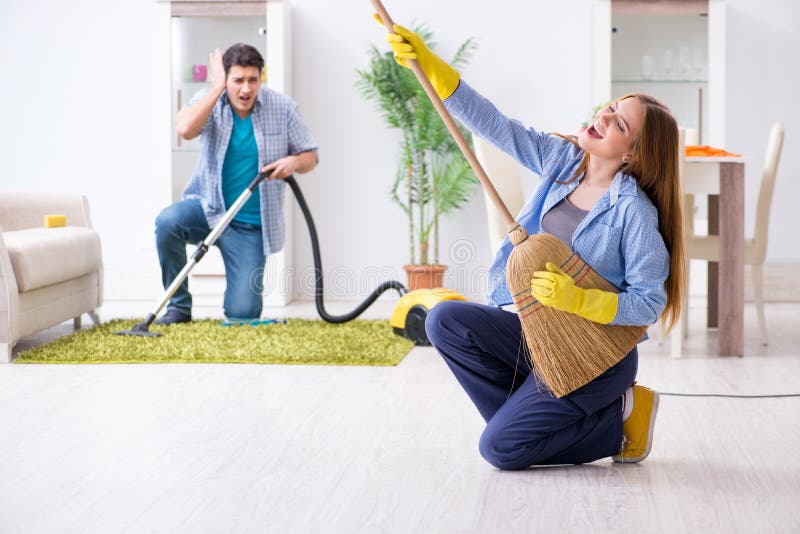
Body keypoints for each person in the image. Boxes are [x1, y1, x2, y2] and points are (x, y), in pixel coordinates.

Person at [383, 23, 686, 469]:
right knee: (445, 320)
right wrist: (430, 66)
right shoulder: (563, 160)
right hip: (534, 337)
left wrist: (582, 300)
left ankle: (619, 418)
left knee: (499, 449)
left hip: (595, 357)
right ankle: (534, 417)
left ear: (634, 154)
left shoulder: (633, 213)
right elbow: (495, 126)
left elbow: (648, 301)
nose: (601, 118)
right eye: (608, 109)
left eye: (618, 123)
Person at [155, 43, 318, 324]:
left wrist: (293, 162)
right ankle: (178, 307)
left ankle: (237, 304)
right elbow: (184, 128)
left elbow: (310, 156)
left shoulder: (282, 108)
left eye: (252, 80)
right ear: (226, 79)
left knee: (243, 314)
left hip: (249, 226)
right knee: (168, 222)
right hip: (207, 210)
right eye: (237, 80)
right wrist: (217, 88)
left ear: (260, 78)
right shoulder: (210, 101)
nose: (245, 89)